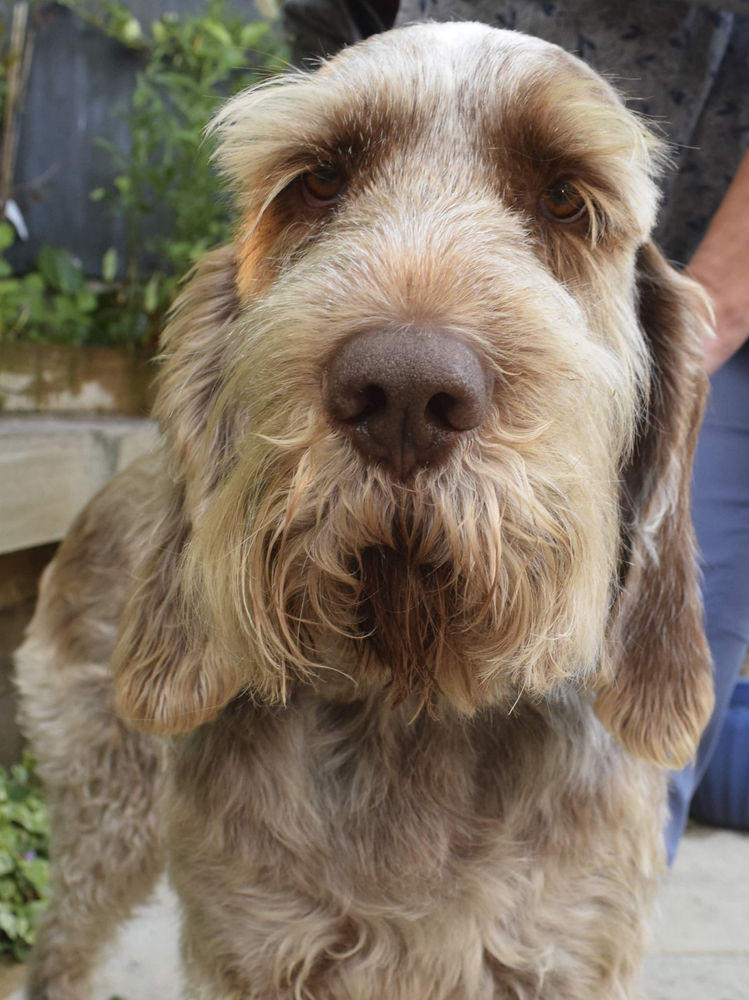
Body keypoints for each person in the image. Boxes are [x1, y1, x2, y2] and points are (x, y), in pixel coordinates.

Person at [282, 0, 749, 861]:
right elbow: (319, 51)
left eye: (561, 198)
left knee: (645, 730)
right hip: (427, 87)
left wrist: (705, 318)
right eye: (325, 182)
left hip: (699, 285)